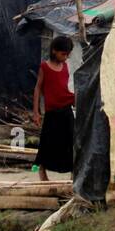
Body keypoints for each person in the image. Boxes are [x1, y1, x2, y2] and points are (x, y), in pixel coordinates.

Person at [33, 35, 75, 181]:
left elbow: (63, 89)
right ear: (54, 51)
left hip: (66, 109)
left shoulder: (65, 67)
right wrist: (36, 112)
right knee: (46, 143)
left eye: (67, 54)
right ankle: (40, 171)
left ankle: (73, 174)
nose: (65, 57)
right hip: (52, 111)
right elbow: (38, 88)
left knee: (71, 142)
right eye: (63, 54)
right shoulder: (44, 67)